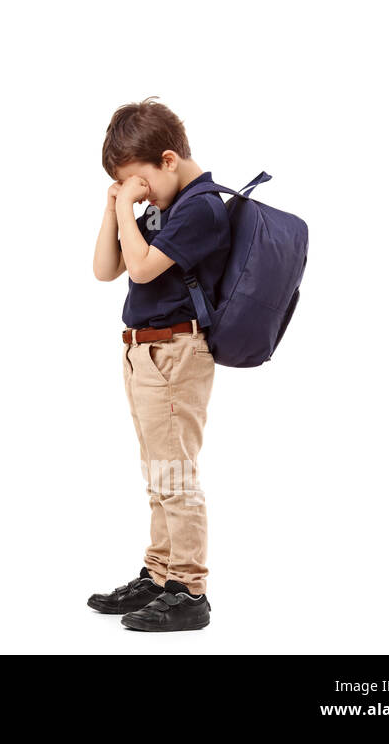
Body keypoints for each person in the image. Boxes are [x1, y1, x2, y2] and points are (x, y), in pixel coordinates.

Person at [87, 97, 230, 632]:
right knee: (159, 472)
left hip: (175, 354)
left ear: (168, 161)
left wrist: (127, 208)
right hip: (144, 351)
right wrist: (115, 208)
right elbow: (106, 269)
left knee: (175, 474)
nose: (135, 193)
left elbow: (142, 270)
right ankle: (160, 572)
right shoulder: (162, 206)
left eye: (138, 180)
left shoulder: (199, 206)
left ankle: (189, 589)